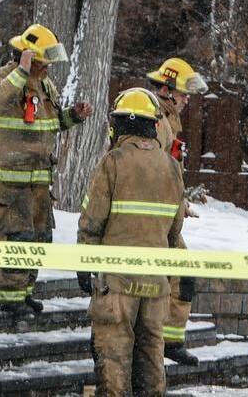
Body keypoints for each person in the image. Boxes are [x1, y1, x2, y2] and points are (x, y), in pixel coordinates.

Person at [78, 88, 186, 396]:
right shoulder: (171, 167)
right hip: (155, 282)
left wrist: (84, 262)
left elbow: (92, 219)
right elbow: (175, 229)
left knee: (114, 353)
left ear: (121, 124)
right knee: (151, 354)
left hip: (118, 282)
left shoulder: (113, 162)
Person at [0, 23, 92, 318]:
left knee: (39, 241)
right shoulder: (3, 79)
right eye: (43, 63)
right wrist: (21, 72)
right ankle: (8, 301)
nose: (47, 70)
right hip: (10, 187)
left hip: (39, 186)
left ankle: (24, 294)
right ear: (27, 57)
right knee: (16, 241)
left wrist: (73, 117)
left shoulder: (45, 86)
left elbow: (50, 123)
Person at [146, 57, 209, 366]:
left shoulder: (169, 120)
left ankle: (170, 340)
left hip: (168, 217)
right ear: (167, 89)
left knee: (181, 278)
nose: (187, 99)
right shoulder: (156, 121)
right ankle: (163, 340)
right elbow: (152, 171)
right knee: (174, 278)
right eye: (183, 92)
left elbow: (169, 171)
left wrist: (181, 200)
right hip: (153, 221)